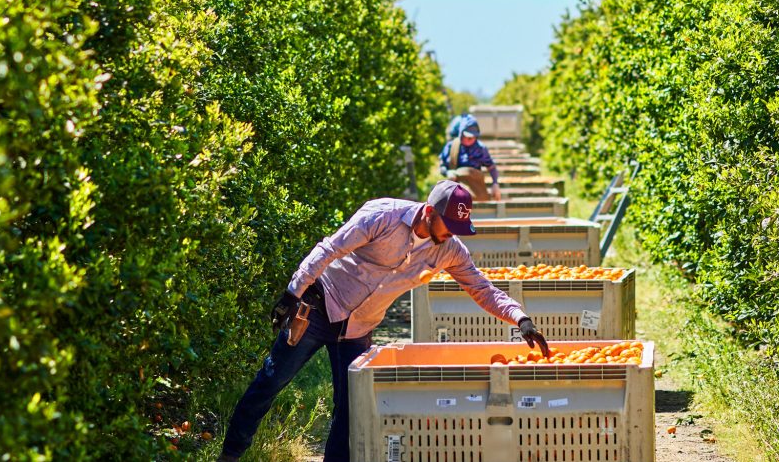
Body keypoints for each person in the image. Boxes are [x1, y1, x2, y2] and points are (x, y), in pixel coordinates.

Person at [216, 180, 550, 462]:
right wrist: (293, 292)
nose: (452, 235)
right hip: (320, 307)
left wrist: (520, 318)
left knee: (352, 410)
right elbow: (329, 249)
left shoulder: (449, 249)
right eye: (450, 227)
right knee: (270, 383)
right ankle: (230, 455)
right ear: (430, 213)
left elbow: (481, 288)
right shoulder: (383, 216)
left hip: (360, 326)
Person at [438, 114, 501, 202]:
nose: (470, 139)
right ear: (461, 134)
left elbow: (491, 167)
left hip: (477, 194)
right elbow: (441, 166)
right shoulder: (451, 146)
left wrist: (495, 183)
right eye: (467, 137)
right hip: (456, 193)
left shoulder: (480, 149)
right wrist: (447, 172)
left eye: (473, 137)